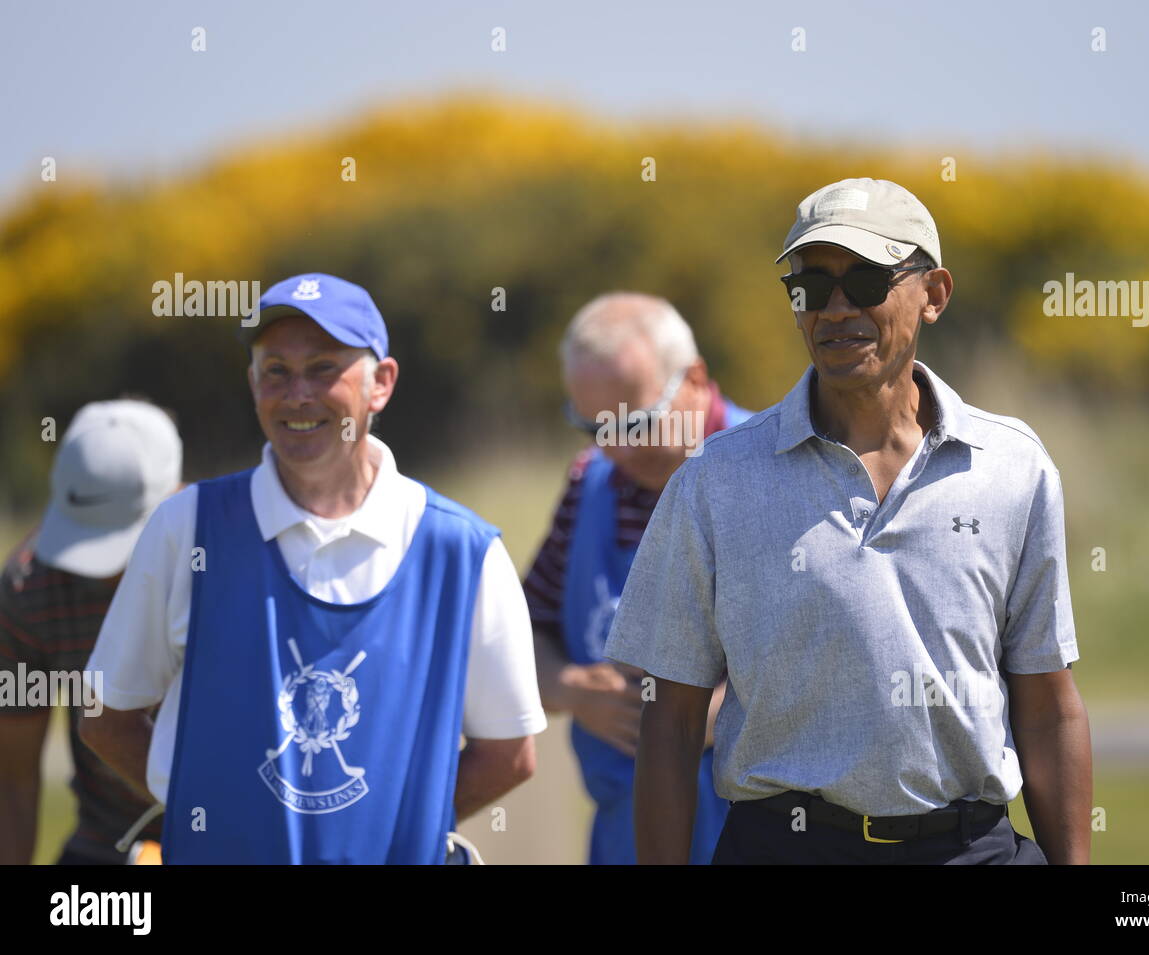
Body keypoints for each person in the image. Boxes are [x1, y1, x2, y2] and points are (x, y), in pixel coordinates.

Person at [605, 179, 1092, 865]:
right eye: (810, 287)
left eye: (865, 280)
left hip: (970, 849)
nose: (835, 309)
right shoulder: (715, 480)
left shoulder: (1013, 467)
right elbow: (671, 720)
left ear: (935, 293)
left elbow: (1047, 705)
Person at [82, 273, 547, 864]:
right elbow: (105, 716)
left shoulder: (464, 552)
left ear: (381, 384)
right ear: (253, 383)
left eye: (324, 367)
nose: (297, 393)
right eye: (275, 370)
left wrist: (392, 828)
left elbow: (509, 753)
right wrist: (208, 811)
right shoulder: (186, 530)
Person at [524, 292, 750, 864]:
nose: (617, 448)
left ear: (695, 379)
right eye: (592, 425)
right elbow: (524, 634)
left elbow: (837, 662)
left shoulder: (774, 472)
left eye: (636, 422)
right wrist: (570, 688)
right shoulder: (588, 484)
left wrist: (701, 716)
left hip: (757, 834)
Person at [0, 400, 182, 865]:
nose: (102, 575)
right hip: (108, 846)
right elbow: (13, 782)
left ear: (178, 496)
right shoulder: (29, 590)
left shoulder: (237, 570)